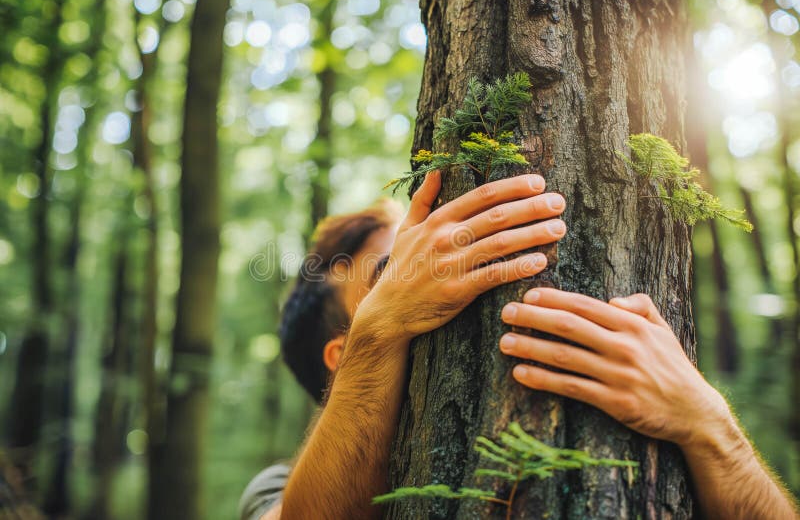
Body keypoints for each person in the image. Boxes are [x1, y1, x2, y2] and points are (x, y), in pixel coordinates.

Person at [240, 171, 799, 520]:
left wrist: (713, 430)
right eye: (392, 268)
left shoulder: (677, 437)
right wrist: (379, 329)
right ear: (341, 356)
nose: (431, 257)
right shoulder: (277, 490)